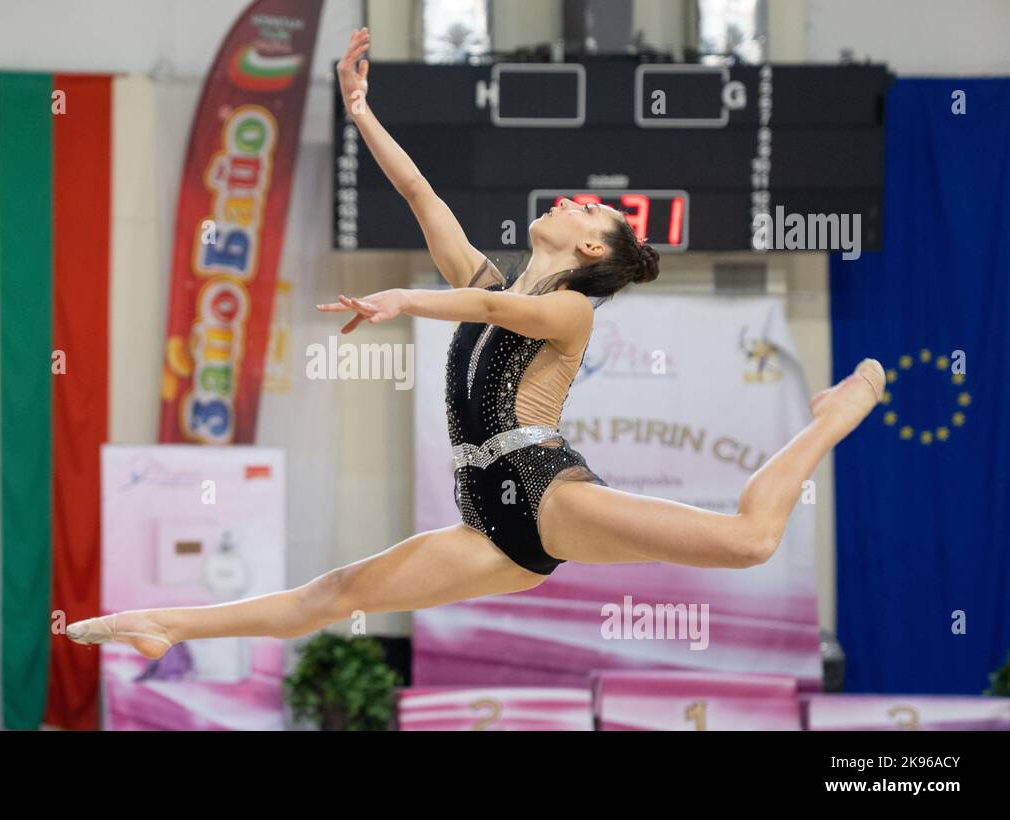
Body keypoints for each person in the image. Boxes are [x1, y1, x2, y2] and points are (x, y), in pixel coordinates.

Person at [66, 28, 882, 658]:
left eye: (586, 211)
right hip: (484, 525)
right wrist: (359, 111)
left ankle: (835, 414)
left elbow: (481, 310)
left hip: (546, 491)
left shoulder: (569, 314)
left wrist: (400, 298)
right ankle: (162, 624)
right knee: (333, 594)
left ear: (590, 251)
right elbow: (420, 192)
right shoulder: (493, 285)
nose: (570, 201)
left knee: (748, 540)